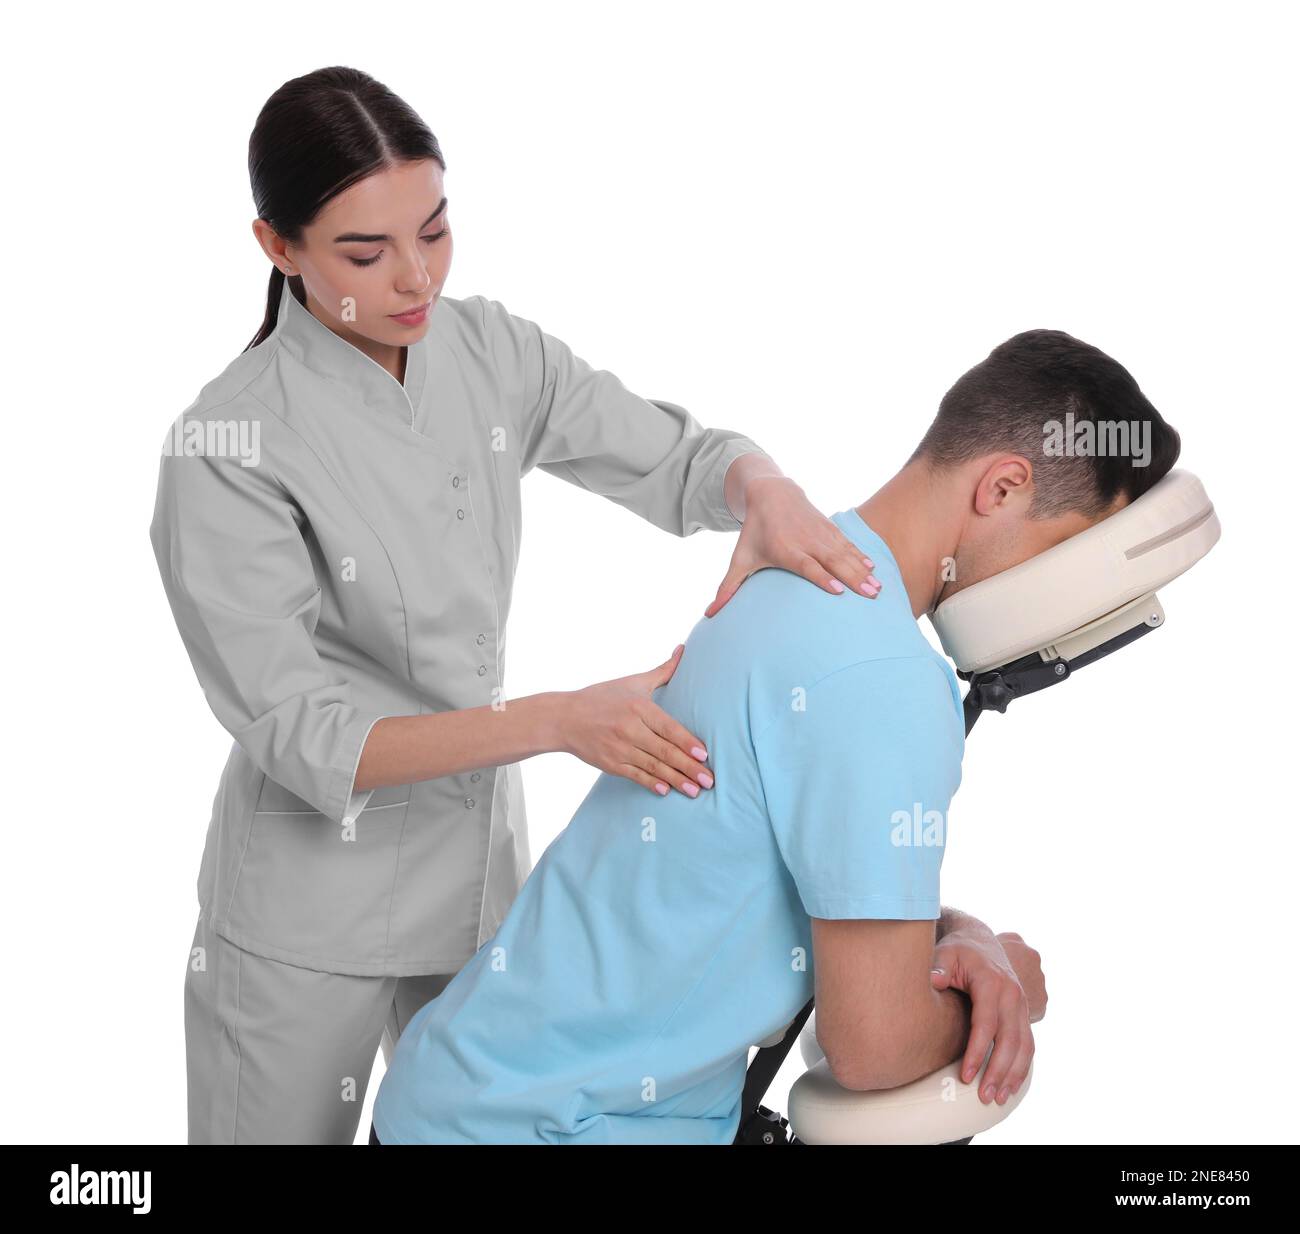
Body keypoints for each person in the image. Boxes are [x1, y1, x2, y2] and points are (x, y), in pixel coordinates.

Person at [149, 65, 884, 1145]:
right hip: (309, 909)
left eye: (435, 231)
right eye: (365, 252)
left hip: (477, 888)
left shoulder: (487, 350)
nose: (416, 278)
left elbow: (677, 457)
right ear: (276, 246)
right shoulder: (228, 444)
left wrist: (759, 489)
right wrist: (554, 721)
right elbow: (300, 732)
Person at [370, 327, 1181, 1144]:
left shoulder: (800, 578)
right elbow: (873, 1045)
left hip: (451, 1097)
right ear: (1003, 488)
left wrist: (960, 935)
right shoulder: (886, 680)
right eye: (1068, 546)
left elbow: (766, 866)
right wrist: (1008, 991)